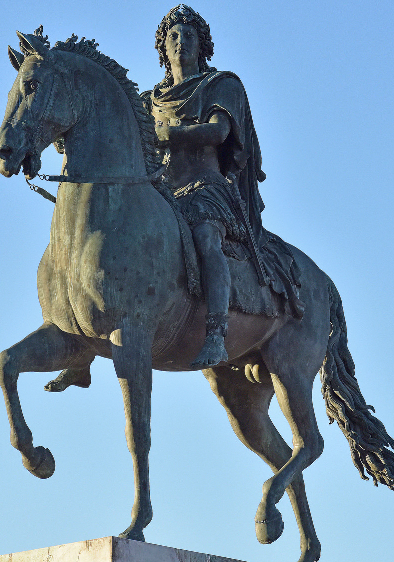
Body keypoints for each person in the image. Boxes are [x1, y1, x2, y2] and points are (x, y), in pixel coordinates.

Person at [149, 4, 271, 369]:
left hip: (206, 187)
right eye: (173, 36)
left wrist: (170, 134)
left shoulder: (221, 85)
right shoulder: (148, 101)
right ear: (163, 48)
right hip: (162, 192)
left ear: (202, 45)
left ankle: (217, 333)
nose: (181, 42)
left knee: (206, 237)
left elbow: (219, 131)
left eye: (190, 36)